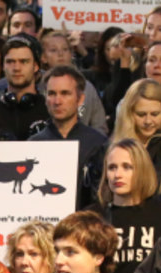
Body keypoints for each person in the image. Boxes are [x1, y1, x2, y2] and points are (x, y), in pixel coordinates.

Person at [86, 138, 161, 273]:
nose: (117, 175)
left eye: (127, 167)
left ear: (142, 170)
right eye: (112, 167)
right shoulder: (91, 217)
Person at [29, 65, 107, 208]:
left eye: (65, 93)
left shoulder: (98, 143)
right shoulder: (33, 145)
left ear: (80, 99)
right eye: (52, 93)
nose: (57, 101)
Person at [112, 79, 161, 194]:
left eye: (155, 114)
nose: (148, 121)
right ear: (129, 114)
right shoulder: (112, 150)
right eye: (141, 114)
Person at [0, 34, 46, 140]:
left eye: (24, 61)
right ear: (3, 66)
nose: (16, 68)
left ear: (35, 66)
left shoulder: (50, 109)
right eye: (10, 62)